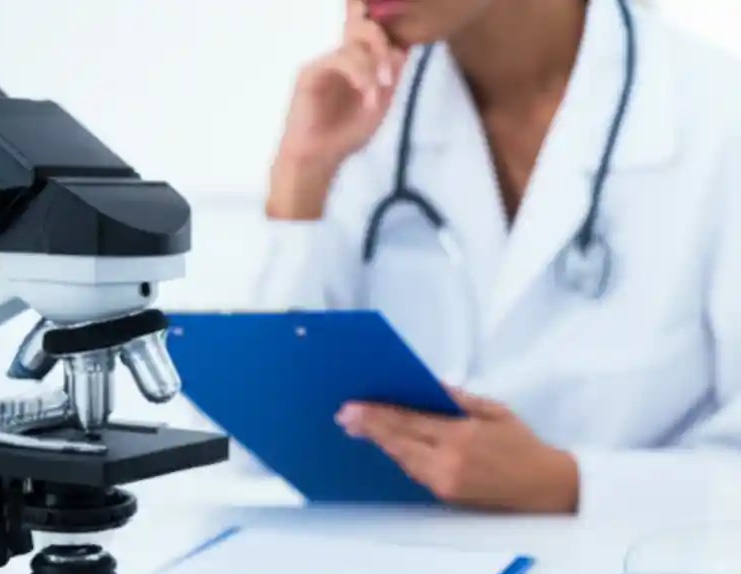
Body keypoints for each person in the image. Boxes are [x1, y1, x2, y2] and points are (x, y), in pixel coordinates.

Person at [264, 0, 741, 514]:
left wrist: (569, 483)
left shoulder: (714, 114)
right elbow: (252, 435)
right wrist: (302, 176)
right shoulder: (361, 107)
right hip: (399, 568)